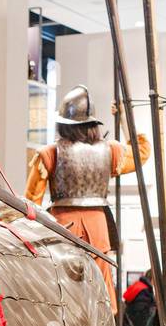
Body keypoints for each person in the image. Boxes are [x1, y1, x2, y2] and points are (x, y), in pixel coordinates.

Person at [24, 84, 150, 312]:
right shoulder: (110, 151)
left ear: (63, 123)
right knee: (101, 288)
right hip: (98, 225)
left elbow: (31, 202)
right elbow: (142, 152)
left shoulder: (49, 153)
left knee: (61, 289)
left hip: (62, 225)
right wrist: (124, 117)